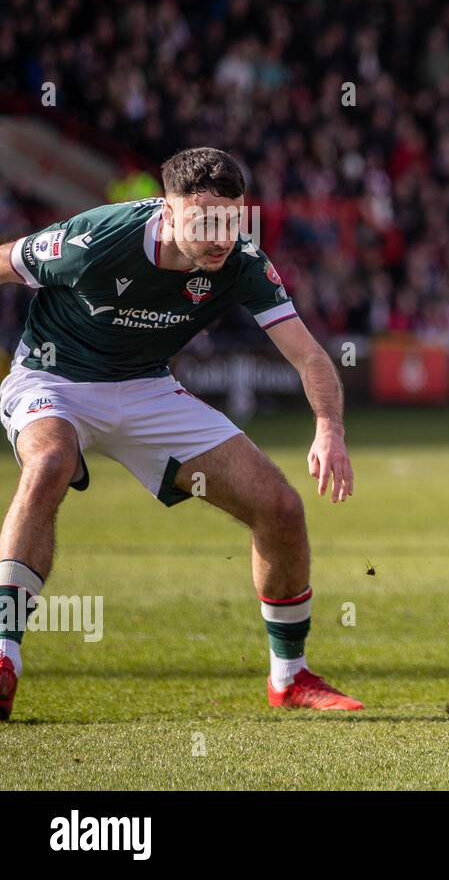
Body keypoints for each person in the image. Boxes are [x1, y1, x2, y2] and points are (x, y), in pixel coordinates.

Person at [0, 147, 360, 720]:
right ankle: (3, 657)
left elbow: (311, 357)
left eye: (232, 220)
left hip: (145, 388)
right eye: (204, 222)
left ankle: (290, 678)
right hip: (54, 378)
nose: (221, 237)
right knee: (49, 464)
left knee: (281, 507)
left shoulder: (241, 258)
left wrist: (328, 427)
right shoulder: (94, 239)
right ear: (167, 213)